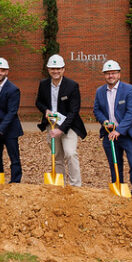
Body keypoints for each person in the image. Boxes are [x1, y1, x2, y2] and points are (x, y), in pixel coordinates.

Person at [93, 60, 132, 195]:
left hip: (128, 133)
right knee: (115, 164)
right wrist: (105, 121)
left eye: (113, 73)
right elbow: (97, 110)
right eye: (108, 73)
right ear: (104, 75)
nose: (111, 76)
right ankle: (118, 189)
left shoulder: (130, 90)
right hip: (109, 133)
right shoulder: (100, 91)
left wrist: (119, 130)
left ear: (119, 74)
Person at [35, 54, 87, 186]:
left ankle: (76, 185)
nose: (55, 71)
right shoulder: (43, 84)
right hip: (51, 125)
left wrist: (61, 129)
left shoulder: (72, 86)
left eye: (58, 68)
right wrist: (45, 110)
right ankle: (59, 185)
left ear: (63, 69)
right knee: (57, 156)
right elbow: (39, 102)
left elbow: (73, 111)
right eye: (53, 68)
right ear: (48, 70)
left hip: (69, 126)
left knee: (70, 153)